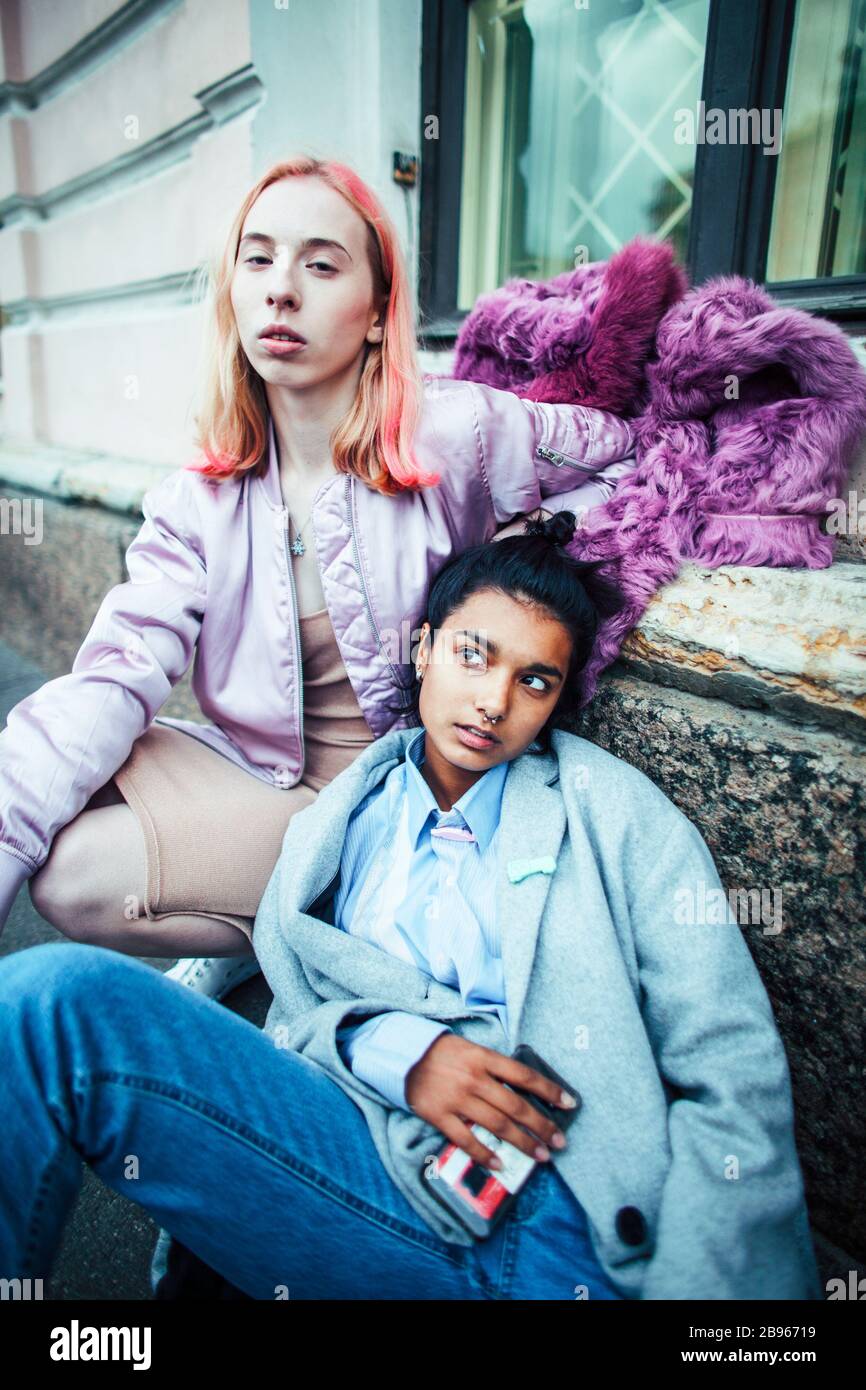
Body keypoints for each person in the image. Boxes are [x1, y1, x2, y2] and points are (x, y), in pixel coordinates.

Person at [0, 514, 820, 1300]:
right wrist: (391, 1048)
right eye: (473, 654)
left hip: (566, 1230)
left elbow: (731, 1069)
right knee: (53, 1004)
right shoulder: (340, 822)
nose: (495, 700)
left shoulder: (614, 815)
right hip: (372, 1187)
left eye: (534, 680)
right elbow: (302, 1012)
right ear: (424, 649)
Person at [0, 154, 636, 1006]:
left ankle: (305, 935)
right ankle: (289, 932)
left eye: (321, 263)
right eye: (256, 259)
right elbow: (112, 677)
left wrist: (526, 552)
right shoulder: (197, 500)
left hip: (390, 796)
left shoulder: (461, 433)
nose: (280, 289)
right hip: (260, 775)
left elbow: (629, 456)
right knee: (63, 823)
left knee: (76, 867)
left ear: (377, 312)